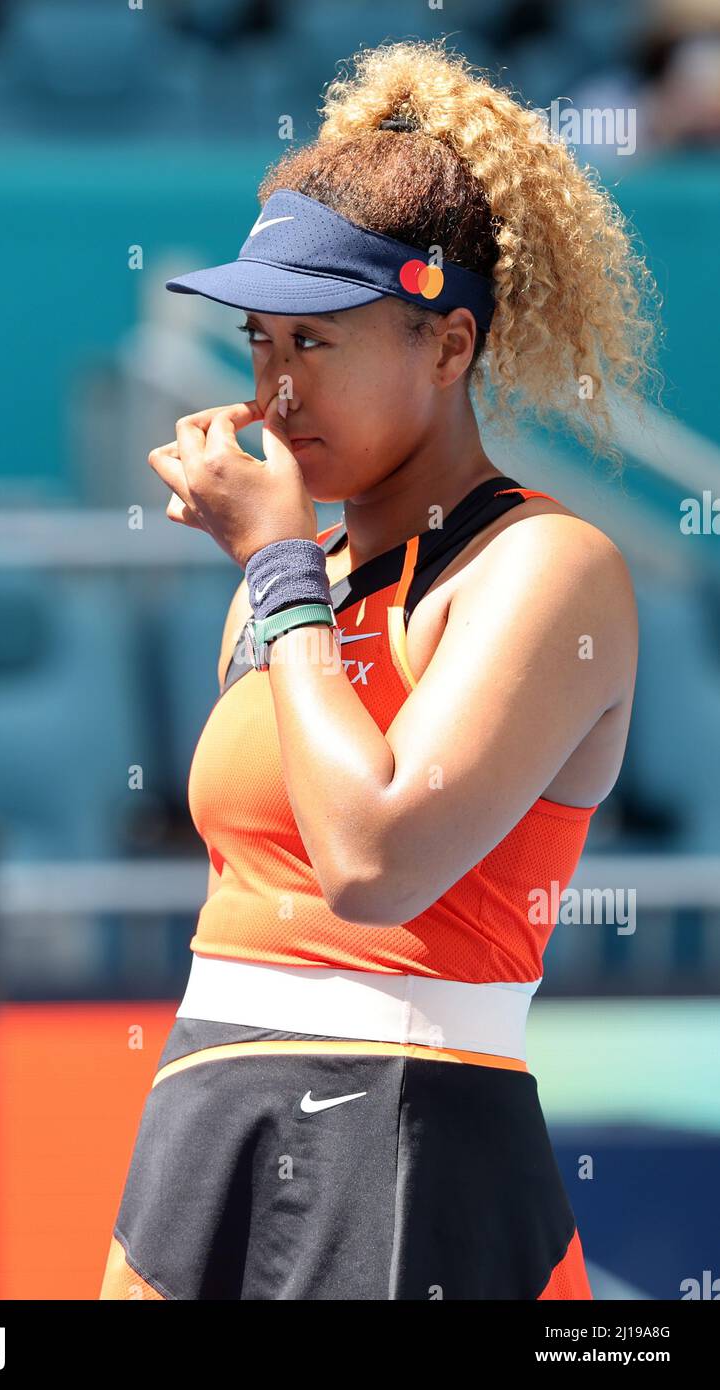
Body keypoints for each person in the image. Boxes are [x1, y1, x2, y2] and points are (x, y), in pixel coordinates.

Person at [99, 39, 657, 1301]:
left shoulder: (548, 567)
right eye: (259, 341)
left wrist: (279, 564)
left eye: (318, 340)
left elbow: (374, 863)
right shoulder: (296, 573)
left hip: (410, 1151)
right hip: (199, 1139)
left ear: (448, 347)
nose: (275, 390)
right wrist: (286, 571)